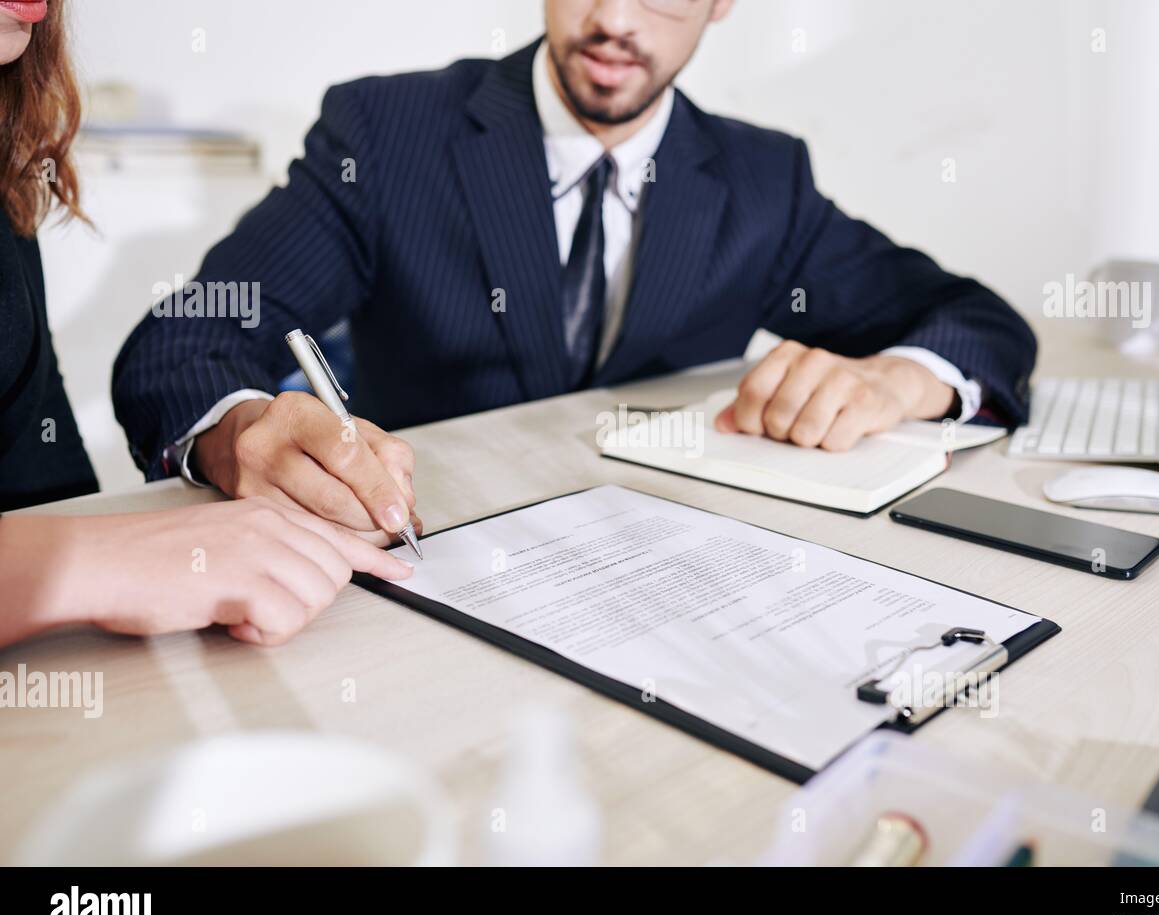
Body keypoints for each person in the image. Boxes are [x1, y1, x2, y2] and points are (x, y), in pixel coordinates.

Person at [112, 0, 1036, 536]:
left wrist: (899, 381)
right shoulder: (387, 136)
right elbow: (180, 341)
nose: (614, 19)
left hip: (677, 561)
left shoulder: (764, 180)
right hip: (430, 557)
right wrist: (239, 430)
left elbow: (978, 321)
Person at [0, 0, 413, 648]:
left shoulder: (9, 187)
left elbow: (43, 487)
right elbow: (186, 333)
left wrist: (100, 554)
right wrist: (98, 559)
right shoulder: (393, 131)